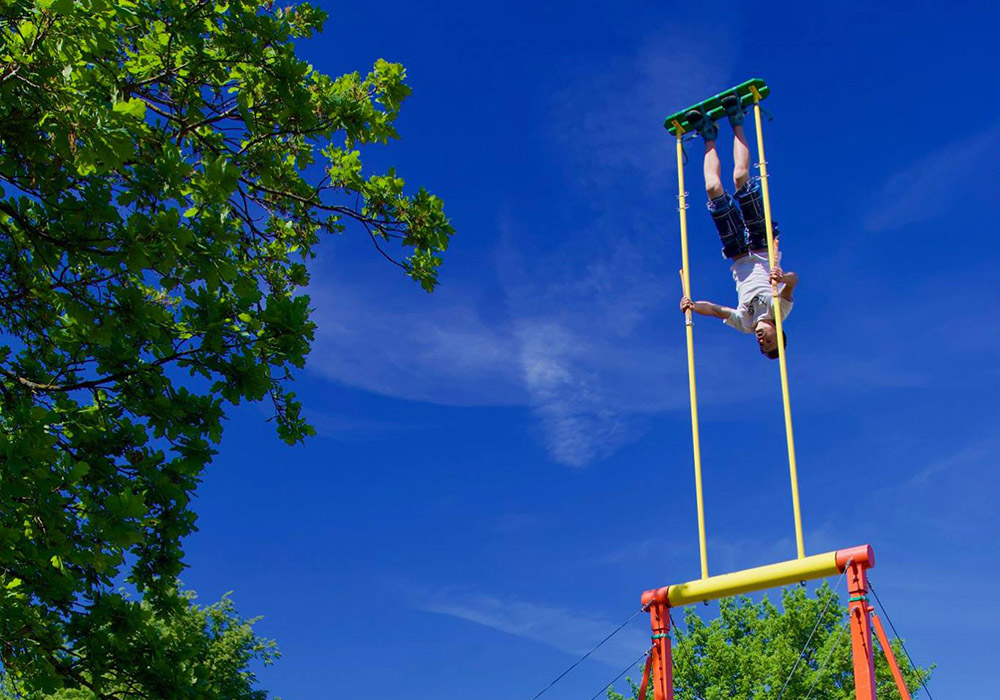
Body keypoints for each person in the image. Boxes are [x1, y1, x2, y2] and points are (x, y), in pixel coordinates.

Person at [678, 92, 798, 359]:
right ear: (778, 334)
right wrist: (782, 278)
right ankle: (737, 120)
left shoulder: (745, 323)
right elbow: (794, 281)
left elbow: (719, 311)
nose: (760, 340)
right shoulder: (779, 311)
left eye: (761, 346)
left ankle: (708, 134)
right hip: (762, 244)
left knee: (713, 189)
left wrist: (693, 306)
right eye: (768, 342)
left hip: (736, 251)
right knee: (741, 177)